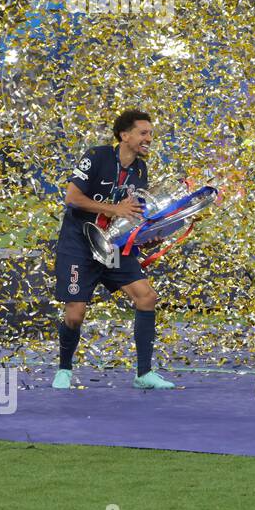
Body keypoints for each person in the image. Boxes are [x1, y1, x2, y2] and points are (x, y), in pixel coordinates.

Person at [52, 109, 174, 390]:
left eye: (151, 134)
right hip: (79, 244)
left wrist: (146, 236)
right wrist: (114, 208)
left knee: (147, 297)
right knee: (74, 314)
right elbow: (72, 197)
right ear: (125, 135)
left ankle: (144, 374)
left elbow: (132, 214)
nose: (149, 139)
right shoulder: (97, 156)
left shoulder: (140, 169)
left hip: (115, 245)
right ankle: (64, 370)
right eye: (143, 133)